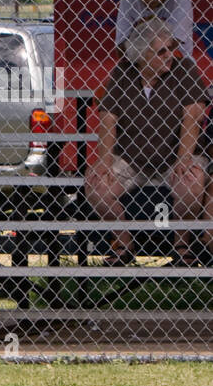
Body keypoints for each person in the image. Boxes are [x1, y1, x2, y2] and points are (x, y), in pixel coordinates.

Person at [88, 17, 211, 266]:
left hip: (172, 158)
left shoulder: (183, 69)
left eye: (170, 48)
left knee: (192, 180)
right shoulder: (124, 72)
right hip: (132, 160)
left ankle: (182, 246)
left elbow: (193, 115)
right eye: (161, 51)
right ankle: (123, 244)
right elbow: (108, 119)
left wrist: (184, 157)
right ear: (142, 54)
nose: (169, 55)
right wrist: (104, 161)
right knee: (96, 185)